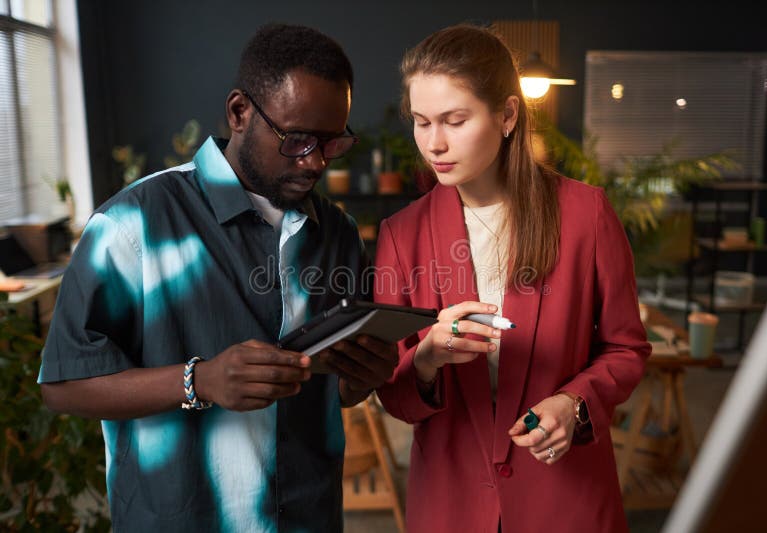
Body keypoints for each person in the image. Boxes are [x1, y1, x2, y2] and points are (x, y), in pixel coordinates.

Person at [38, 24, 398, 532]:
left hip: (310, 515)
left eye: (331, 142)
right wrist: (198, 380)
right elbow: (63, 384)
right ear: (239, 112)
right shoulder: (134, 222)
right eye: (296, 140)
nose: (315, 161)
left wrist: (362, 379)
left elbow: (334, 391)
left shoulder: (336, 231)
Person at [374, 24, 651, 533]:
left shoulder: (585, 214)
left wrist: (574, 403)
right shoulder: (400, 235)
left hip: (566, 500)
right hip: (450, 506)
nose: (434, 144)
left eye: (455, 121)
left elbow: (626, 348)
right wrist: (428, 357)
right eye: (420, 122)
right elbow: (393, 393)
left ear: (506, 115)